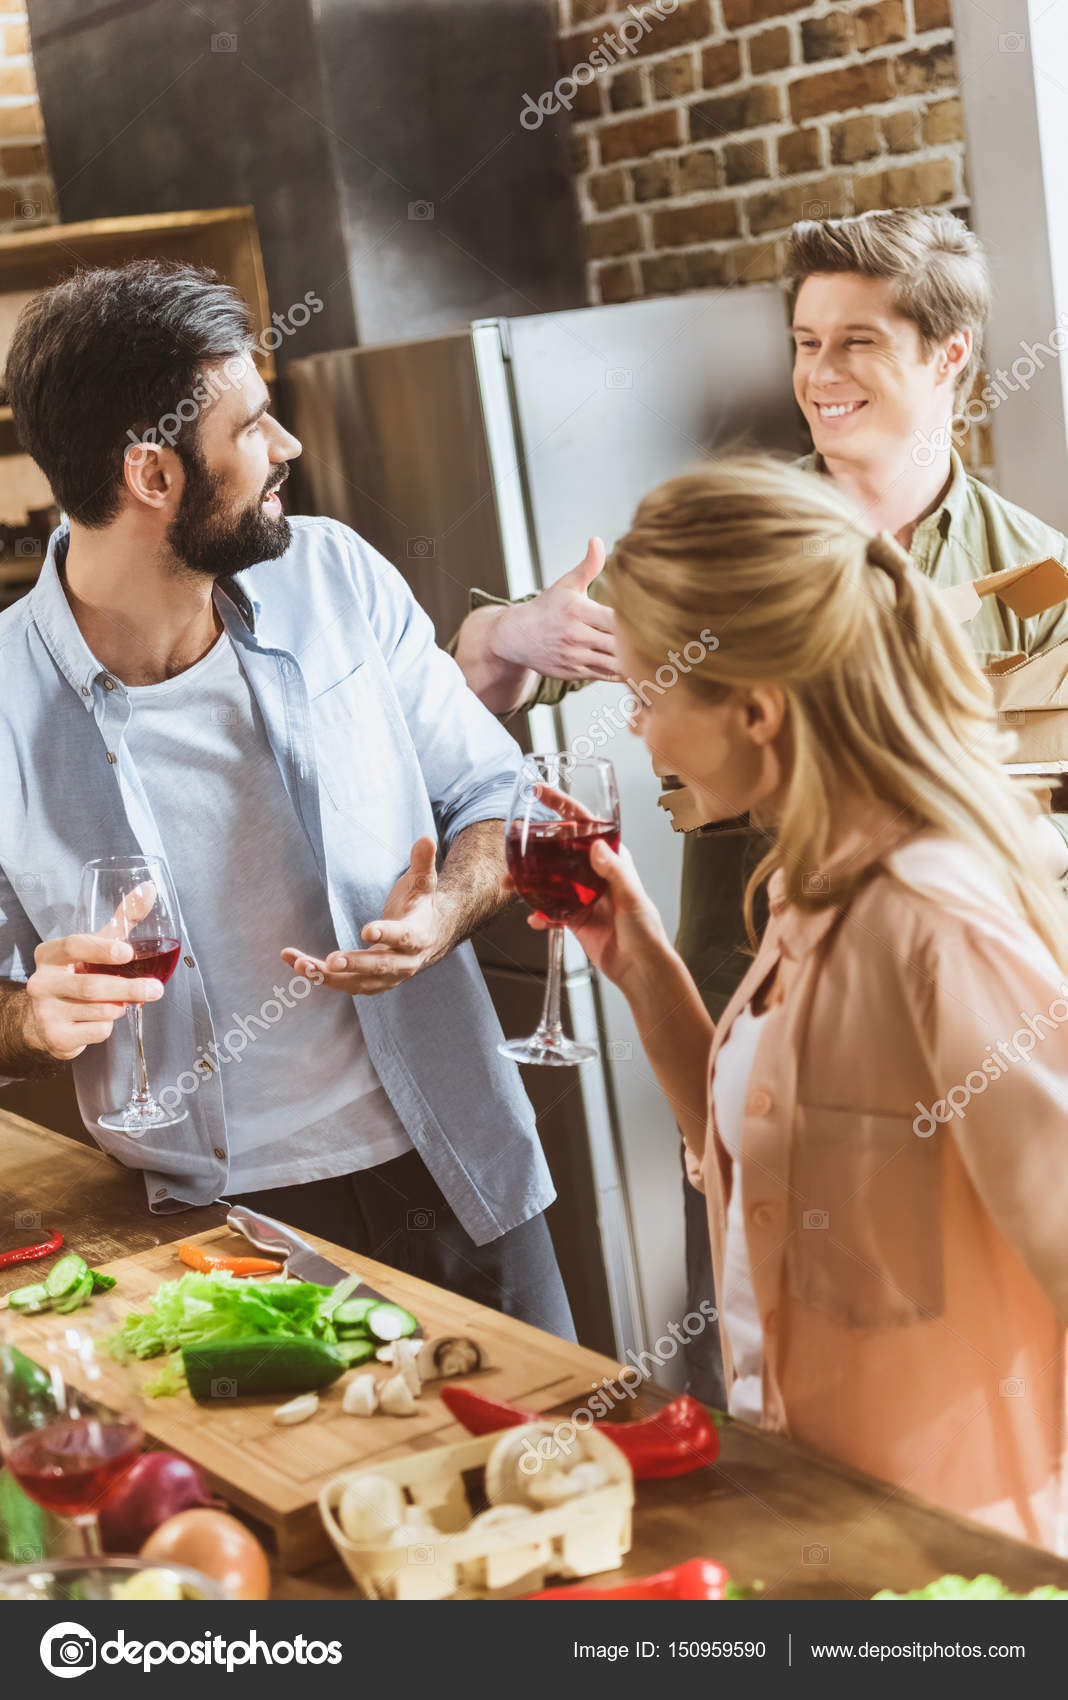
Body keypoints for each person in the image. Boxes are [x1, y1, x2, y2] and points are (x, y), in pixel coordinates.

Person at [450, 207, 1068, 1399]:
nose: (819, 376)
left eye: (857, 344)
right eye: (805, 342)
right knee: (755, 1339)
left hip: (914, 1077)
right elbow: (494, 680)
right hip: (740, 1024)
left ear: (952, 354)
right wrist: (501, 629)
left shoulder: (1036, 589)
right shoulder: (740, 534)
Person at [0, 260, 573, 1338]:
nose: (288, 449)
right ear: (152, 476)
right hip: (216, 1237)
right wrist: (34, 1016)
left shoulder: (337, 577)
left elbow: (496, 790)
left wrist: (444, 908)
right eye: (254, 427)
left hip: (458, 1174)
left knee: (562, 1484)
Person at [526, 453, 1068, 1551]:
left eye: (648, 694)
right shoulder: (801, 888)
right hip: (816, 1519)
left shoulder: (933, 922)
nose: (638, 728)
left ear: (758, 712)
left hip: (958, 1553)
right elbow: (744, 1145)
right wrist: (637, 960)